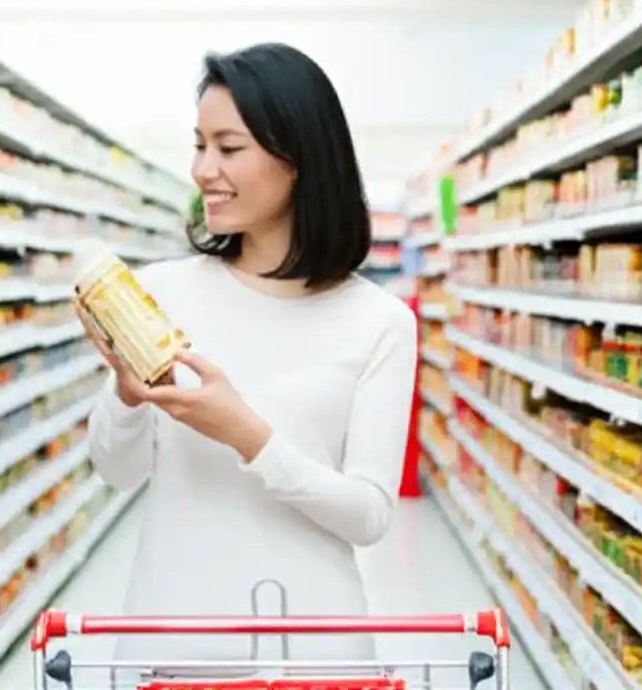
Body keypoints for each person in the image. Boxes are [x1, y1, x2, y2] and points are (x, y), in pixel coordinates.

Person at [80, 42, 419, 672]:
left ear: (299, 158)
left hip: (314, 651)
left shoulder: (379, 323)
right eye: (200, 145)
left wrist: (248, 435)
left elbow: (369, 515)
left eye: (229, 148)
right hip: (173, 641)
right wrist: (127, 393)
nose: (204, 169)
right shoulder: (162, 292)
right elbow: (116, 471)